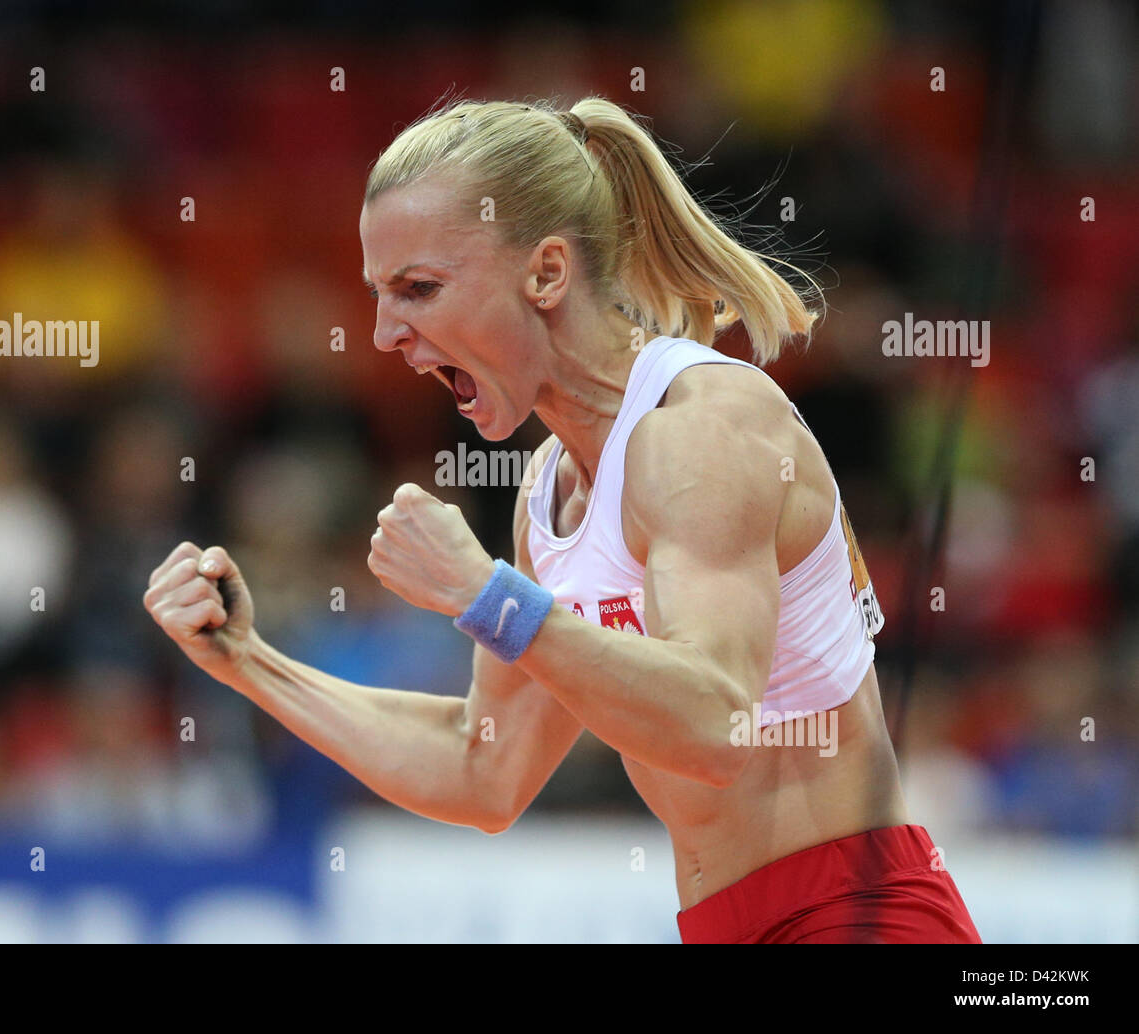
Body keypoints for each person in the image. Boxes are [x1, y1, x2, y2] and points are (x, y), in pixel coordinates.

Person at [143, 97, 982, 943]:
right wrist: (250, 663)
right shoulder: (548, 491)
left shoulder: (699, 429)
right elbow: (484, 769)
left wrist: (488, 598)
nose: (385, 331)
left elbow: (715, 724)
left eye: (419, 289)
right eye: (378, 295)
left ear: (547, 273)